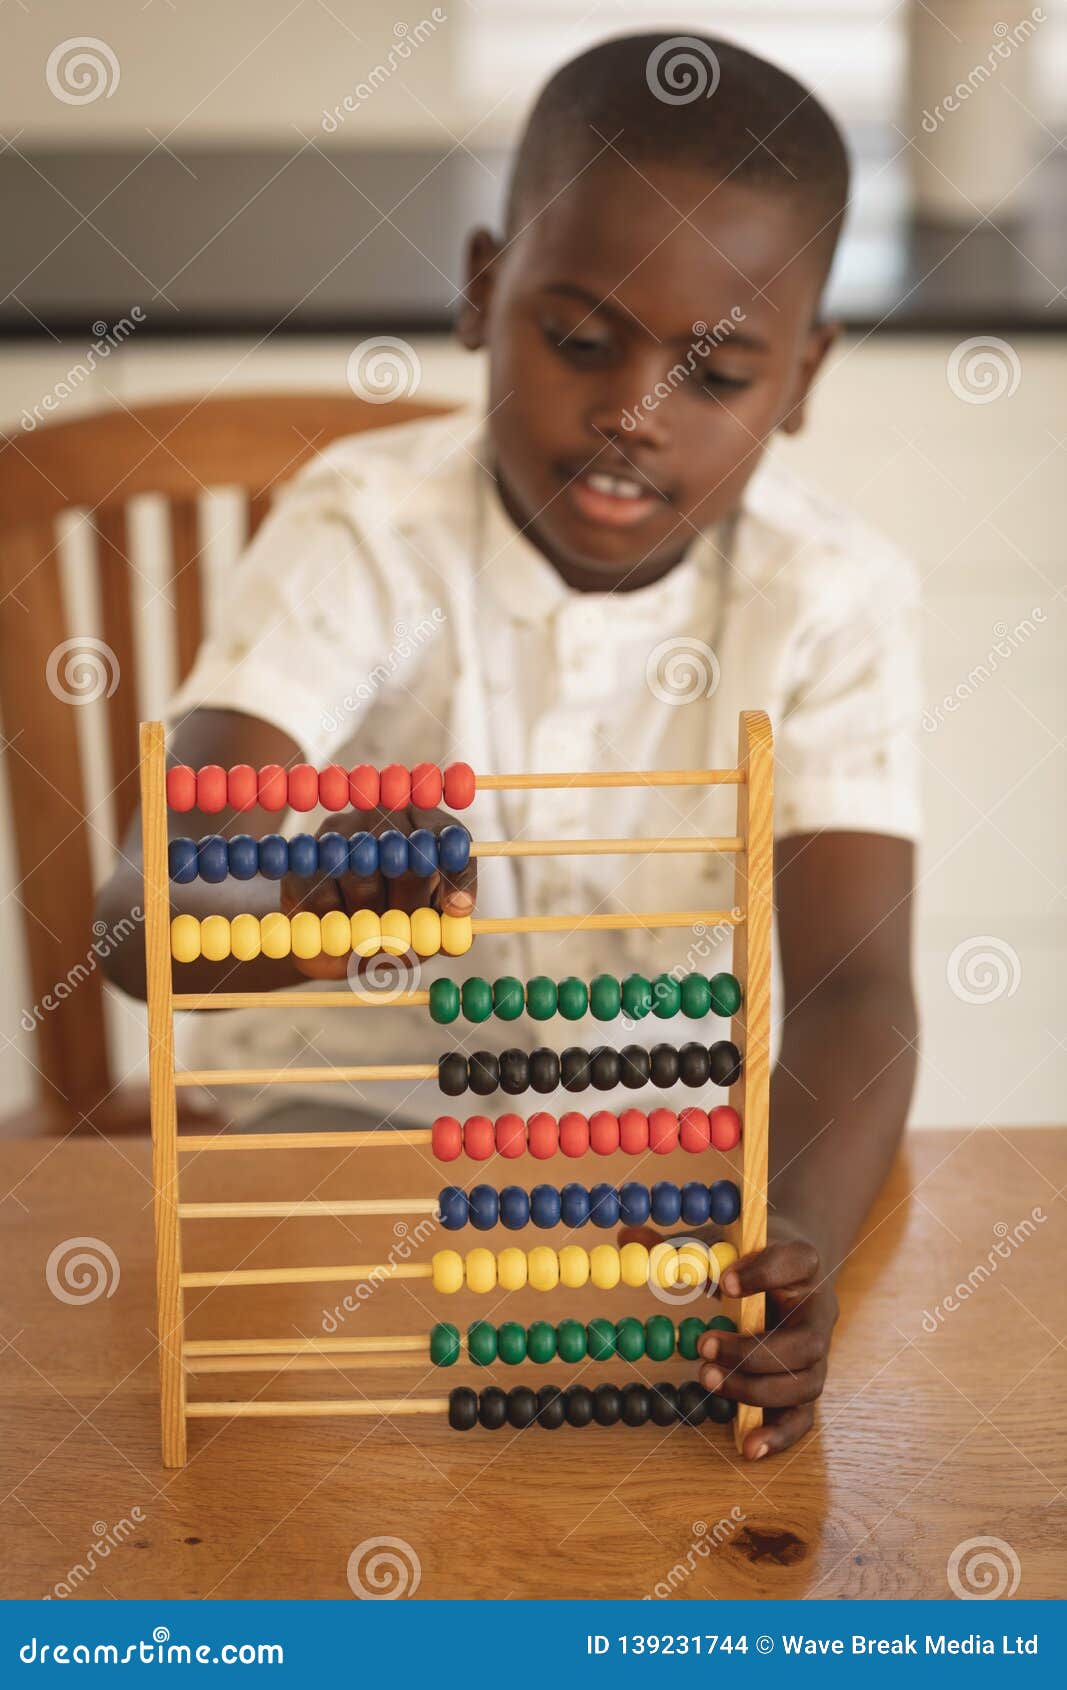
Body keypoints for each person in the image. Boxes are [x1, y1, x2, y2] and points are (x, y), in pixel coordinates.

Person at [98, 33, 920, 1459]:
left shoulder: (836, 595)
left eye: (716, 373)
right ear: (484, 290)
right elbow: (135, 924)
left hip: (661, 1161)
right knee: (295, 1478)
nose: (631, 412)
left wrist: (789, 1235)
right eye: (584, 340)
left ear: (804, 376)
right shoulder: (366, 532)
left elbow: (857, 999)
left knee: (647, 1494)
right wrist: (291, 915)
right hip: (341, 1120)